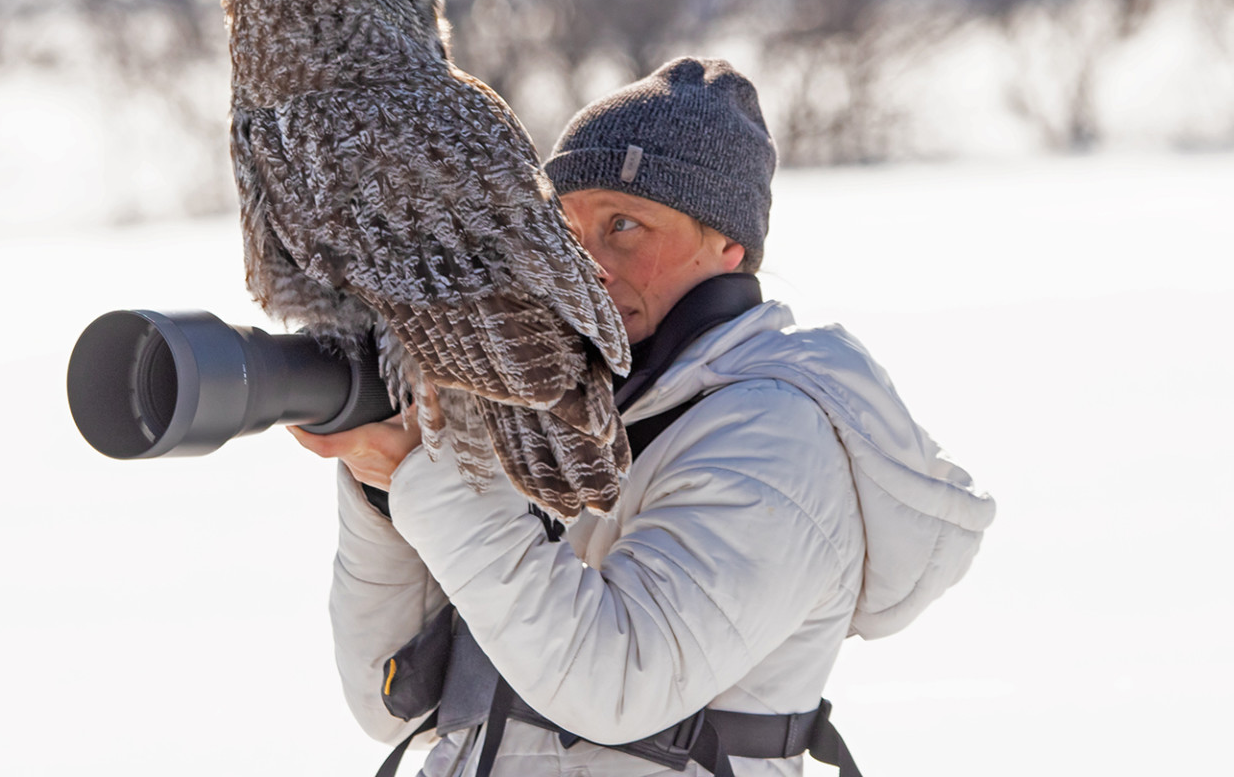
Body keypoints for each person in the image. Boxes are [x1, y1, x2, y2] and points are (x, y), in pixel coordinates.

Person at [292, 57, 995, 776]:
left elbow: (618, 684)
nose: (584, 265)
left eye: (623, 225)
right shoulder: (553, 418)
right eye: (562, 232)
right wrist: (388, 493)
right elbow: (394, 701)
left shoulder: (777, 437)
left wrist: (435, 487)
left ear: (728, 245)